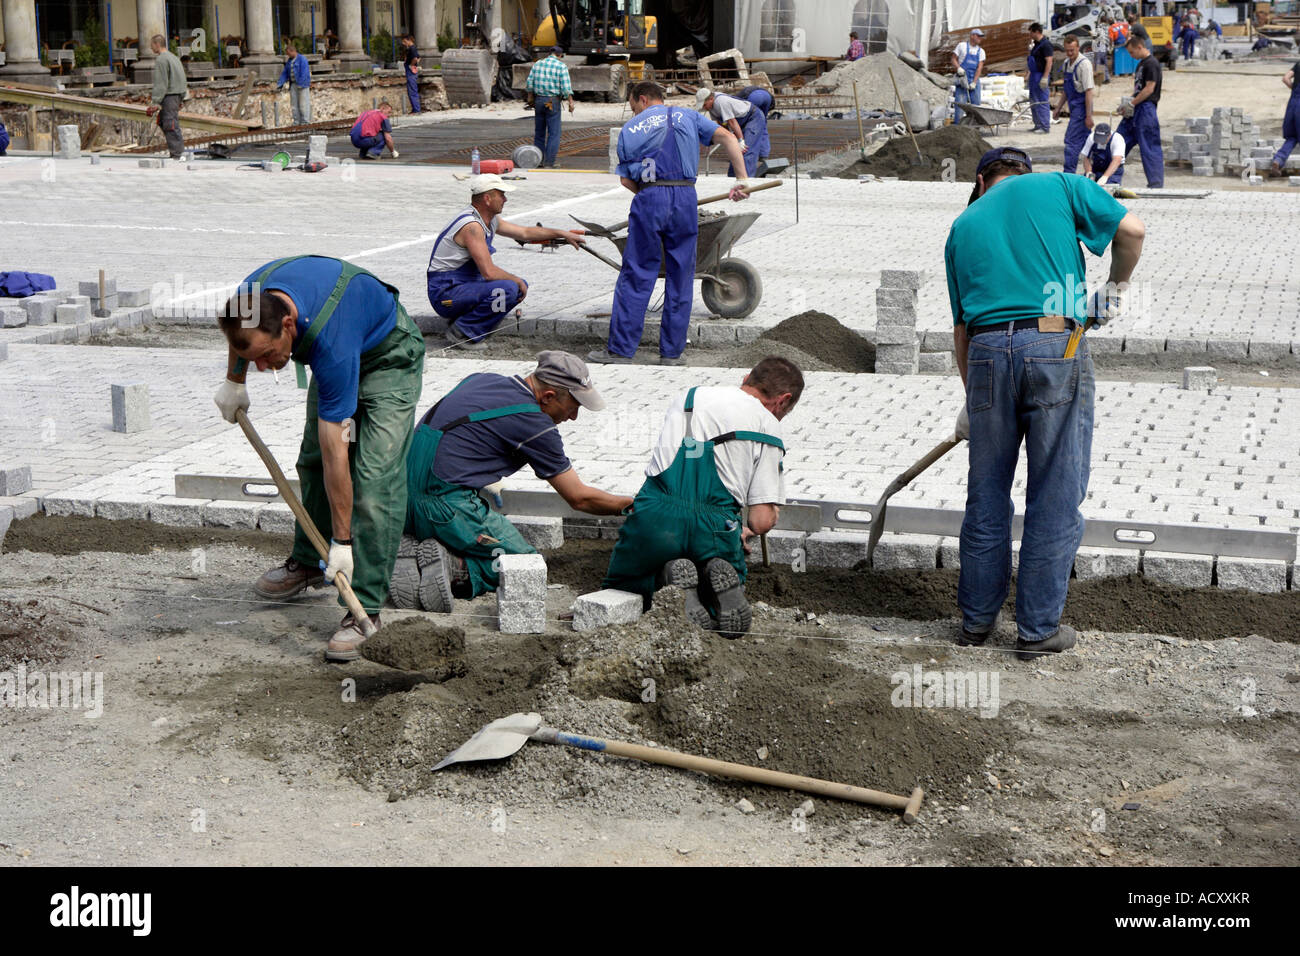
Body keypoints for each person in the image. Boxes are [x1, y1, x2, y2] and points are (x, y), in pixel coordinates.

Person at [945, 147, 1145, 660]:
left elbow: (962, 332)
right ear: (1023, 173)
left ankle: (974, 623)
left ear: (980, 180)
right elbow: (1133, 233)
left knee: (986, 495)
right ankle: (1036, 631)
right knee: (1055, 492)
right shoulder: (1060, 186)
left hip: (987, 354)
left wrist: (974, 398)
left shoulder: (962, 225)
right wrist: (1114, 290)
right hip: (1056, 341)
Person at [214, 255, 425, 661]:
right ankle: (310, 561)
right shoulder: (248, 302)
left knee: (375, 477)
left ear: (288, 326)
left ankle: (364, 607)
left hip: (388, 357)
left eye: (268, 354)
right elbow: (242, 339)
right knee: (310, 459)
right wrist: (233, 381)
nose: (262, 367)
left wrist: (343, 541)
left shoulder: (332, 339)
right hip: (340, 344)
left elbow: (337, 454)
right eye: (254, 358)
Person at [405, 352, 633, 609]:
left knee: (473, 534)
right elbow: (579, 498)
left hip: (399, 497)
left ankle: (408, 550)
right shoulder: (535, 424)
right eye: (573, 407)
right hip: (446, 509)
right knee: (523, 564)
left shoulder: (480, 379)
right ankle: (456, 570)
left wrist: (475, 469)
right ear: (548, 397)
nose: (573, 418)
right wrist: (634, 506)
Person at [602, 358, 803, 638]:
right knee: (721, 582)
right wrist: (750, 527)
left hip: (654, 516)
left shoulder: (690, 396)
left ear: (746, 378)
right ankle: (708, 593)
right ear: (783, 400)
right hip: (715, 527)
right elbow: (761, 519)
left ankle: (663, 582)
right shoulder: (769, 425)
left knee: (627, 587)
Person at [587, 81, 748, 366]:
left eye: (634, 106)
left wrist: (651, 197)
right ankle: (672, 354)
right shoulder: (688, 116)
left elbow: (626, 180)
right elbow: (729, 138)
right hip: (686, 197)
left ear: (643, 99)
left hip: (650, 197)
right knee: (681, 276)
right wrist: (742, 181)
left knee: (637, 274)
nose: (634, 112)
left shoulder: (629, 130)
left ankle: (621, 351)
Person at [426, 174, 584, 350]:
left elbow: (524, 233)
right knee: (507, 290)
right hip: (445, 294)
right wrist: (516, 281)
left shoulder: (489, 220)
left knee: (514, 287)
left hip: (461, 286)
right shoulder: (472, 226)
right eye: (501, 195)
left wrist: (561, 233)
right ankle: (463, 332)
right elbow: (489, 272)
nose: (505, 199)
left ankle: (462, 322)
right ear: (487, 198)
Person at [1115, 33, 1164, 187]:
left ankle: (1156, 186)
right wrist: (1127, 104)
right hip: (1136, 109)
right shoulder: (1141, 64)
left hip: (1146, 110)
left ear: (1140, 47)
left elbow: (1149, 89)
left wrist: (1132, 103)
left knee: (1149, 148)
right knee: (1118, 143)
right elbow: (1139, 89)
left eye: (1132, 52)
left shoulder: (1151, 64)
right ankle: (1109, 179)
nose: (1131, 55)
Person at [696, 87, 768, 178]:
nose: (704, 108)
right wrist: (729, 137)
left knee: (746, 150)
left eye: (704, 104)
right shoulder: (711, 107)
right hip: (740, 122)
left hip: (753, 118)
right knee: (735, 150)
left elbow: (732, 122)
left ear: (711, 99)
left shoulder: (721, 102)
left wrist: (740, 140)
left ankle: (746, 181)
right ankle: (732, 178)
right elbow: (721, 122)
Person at [525, 46, 574, 168]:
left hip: (539, 100)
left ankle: (538, 161)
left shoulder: (538, 64)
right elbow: (566, 88)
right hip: (552, 102)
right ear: (560, 55)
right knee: (554, 133)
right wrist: (571, 102)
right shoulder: (561, 66)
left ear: (549, 53)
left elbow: (529, 83)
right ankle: (549, 163)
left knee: (539, 132)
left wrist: (530, 97)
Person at [1055, 35, 1095, 173]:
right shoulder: (1067, 63)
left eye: (1072, 50)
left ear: (1078, 47)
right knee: (1086, 142)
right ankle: (1092, 171)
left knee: (1071, 141)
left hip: (1082, 107)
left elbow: (1089, 91)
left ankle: (1069, 174)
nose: (1070, 53)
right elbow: (1066, 90)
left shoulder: (1085, 65)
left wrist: (1088, 116)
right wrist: (1058, 108)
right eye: (1067, 50)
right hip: (1073, 106)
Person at [143, 34, 187, 159]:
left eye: (151, 45)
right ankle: (177, 151)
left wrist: (155, 102)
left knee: (170, 124)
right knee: (164, 121)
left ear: (157, 44)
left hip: (169, 96)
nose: (151, 48)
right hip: (176, 94)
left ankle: (177, 153)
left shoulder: (161, 59)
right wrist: (182, 97)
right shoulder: (174, 57)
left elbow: (161, 82)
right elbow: (183, 78)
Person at [1269, 60, 1298, 176]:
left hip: (1293, 105)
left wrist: (1295, 90)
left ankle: (1278, 160)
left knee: (1292, 137)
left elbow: (1285, 78)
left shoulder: (1298, 65)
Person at [951, 28, 987, 124]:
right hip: (962, 79)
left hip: (974, 79)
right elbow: (953, 59)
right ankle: (958, 128)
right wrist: (958, 68)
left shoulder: (981, 51)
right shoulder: (961, 46)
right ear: (972, 36)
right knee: (960, 105)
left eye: (981, 37)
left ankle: (975, 128)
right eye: (978, 36)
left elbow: (979, 68)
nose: (980, 38)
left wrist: (974, 82)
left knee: (976, 106)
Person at [1027, 23, 1055, 133]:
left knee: (1042, 101)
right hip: (1034, 76)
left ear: (1037, 32)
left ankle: (1045, 126)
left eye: (1031, 32)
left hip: (1040, 75)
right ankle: (1037, 125)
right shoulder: (1036, 45)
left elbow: (1049, 61)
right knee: (1034, 101)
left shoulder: (1046, 44)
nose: (1030, 34)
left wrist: (1045, 77)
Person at [276, 41, 311, 125]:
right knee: (294, 105)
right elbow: (285, 73)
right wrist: (280, 83)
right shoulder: (289, 61)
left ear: (293, 51)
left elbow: (304, 73)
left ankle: (305, 121)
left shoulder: (302, 59)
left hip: (302, 85)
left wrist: (301, 84)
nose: (288, 55)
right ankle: (296, 121)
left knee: (303, 104)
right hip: (293, 84)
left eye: (288, 53)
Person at [400, 34, 422, 113]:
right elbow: (419, 57)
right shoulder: (412, 49)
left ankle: (416, 110)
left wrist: (412, 65)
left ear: (409, 40)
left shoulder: (412, 48)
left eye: (404, 41)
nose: (403, 43)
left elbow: (416, 58)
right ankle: (415, 109)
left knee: (412, 90)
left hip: (410, 71)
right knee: (411, 90)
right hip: (410, 70)